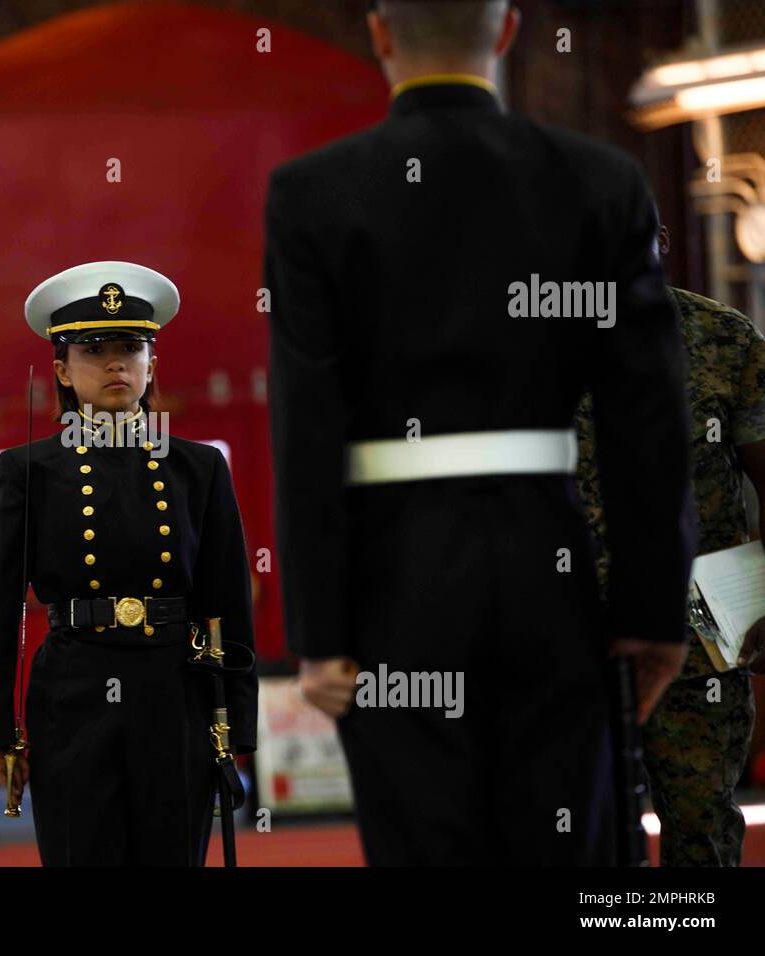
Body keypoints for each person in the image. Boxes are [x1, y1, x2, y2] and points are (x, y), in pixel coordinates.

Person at [265, 0, 695, 864]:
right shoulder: (599, 178)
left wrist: (320, 634)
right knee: (568, 841)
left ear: (381, 34)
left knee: (426, 839)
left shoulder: (311, 192)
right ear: (506, 32)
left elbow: (306, 422)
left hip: (396, 581)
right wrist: (654, 612)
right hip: (550, 560)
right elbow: (646, 413)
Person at [0, 261, 258, 865]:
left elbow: (227, 603)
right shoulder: (28, 470)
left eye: (130, 347)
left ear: (152, 363)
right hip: (74, 691)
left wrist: (237, 726)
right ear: (61, 369)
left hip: (176, 694)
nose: (116, 363)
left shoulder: (198, 469)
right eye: (94, 350)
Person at [576, 224, 764, 866]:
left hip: (700, 634)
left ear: (661, 238)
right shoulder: (532, 349)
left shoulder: (721, 337)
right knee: (583, 831)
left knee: (701, 832)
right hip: (571, 637)